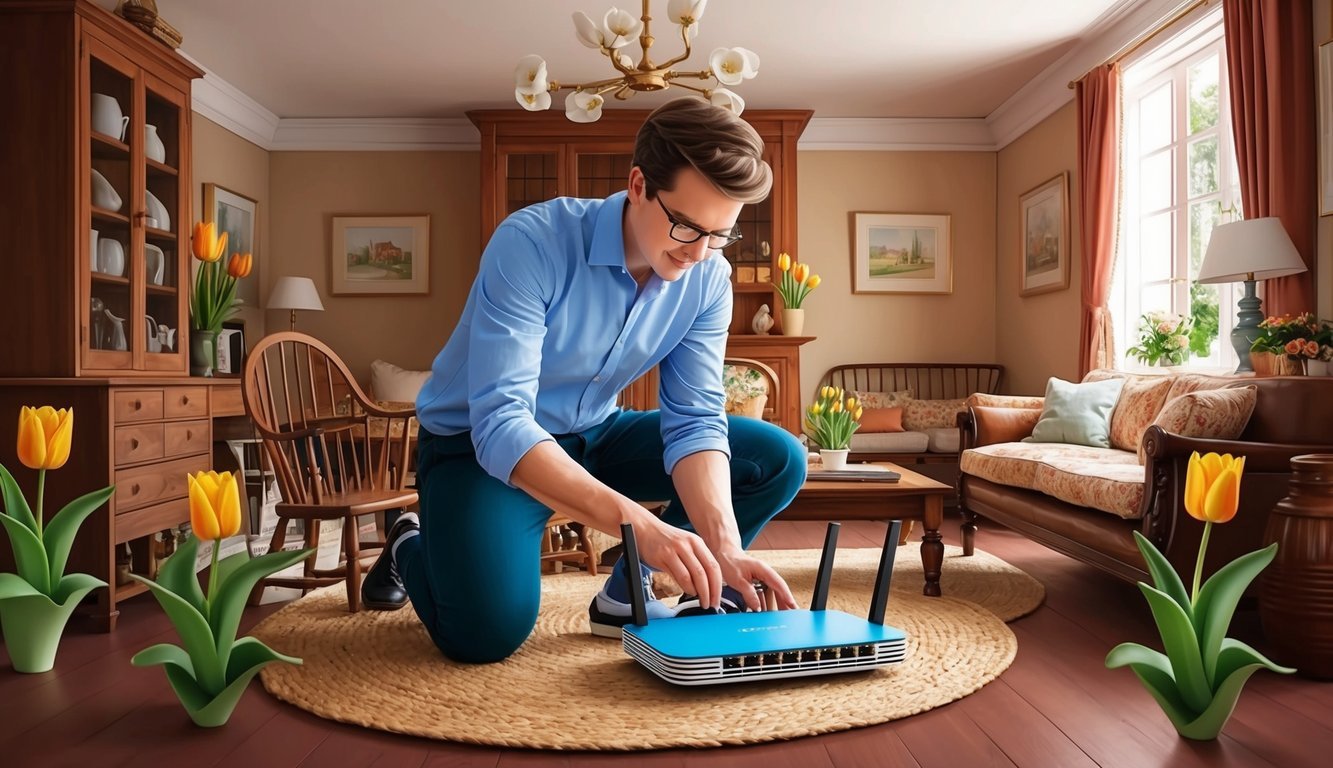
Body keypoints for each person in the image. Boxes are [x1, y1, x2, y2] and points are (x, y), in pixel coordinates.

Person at [360, 97, 808, 664]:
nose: (699, 253)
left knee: (776, 456)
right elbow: (502, 426)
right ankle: (408, 543)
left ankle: (625, 596)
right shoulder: (532, 243)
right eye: (686, 226)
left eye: (720, 235)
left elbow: (694, 421)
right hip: (477, 447)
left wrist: (722, 546)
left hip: (596, 433)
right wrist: (643, 527)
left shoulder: (709, 279)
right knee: (483, 633)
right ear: (639, 185)